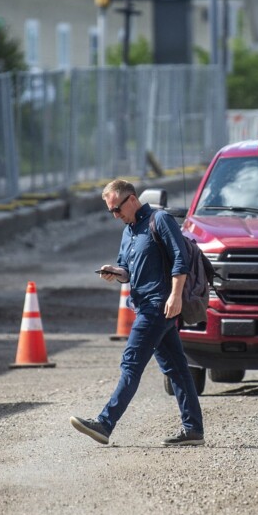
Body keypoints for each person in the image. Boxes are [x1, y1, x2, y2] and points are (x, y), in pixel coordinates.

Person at [70, 179, 204, 447]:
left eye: (116, 209)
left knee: (131, 363)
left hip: (159, 306)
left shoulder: (160, 219)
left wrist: (176, 295)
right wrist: (116, 273)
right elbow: (127, 269)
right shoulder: (128, 231)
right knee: (177, 368)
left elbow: (181, 259)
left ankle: (105, 423)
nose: (115, 215)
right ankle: (194, 430)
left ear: (131, 199)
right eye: (111, 212)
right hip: (145, 305)